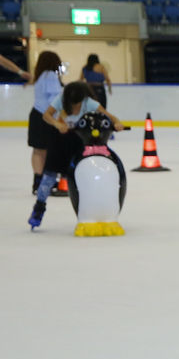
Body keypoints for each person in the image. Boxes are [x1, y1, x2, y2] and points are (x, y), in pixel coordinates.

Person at [29, 82, 124, 229]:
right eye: (72, 105)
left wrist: (117, 123)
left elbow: (111, 117)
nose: (75, 108)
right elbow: (46, 115)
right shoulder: (60, 100)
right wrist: (57, 123)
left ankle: (91, 209)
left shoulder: (90, 103)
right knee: (49, 177)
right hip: (59, 142)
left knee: (82, 177)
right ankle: (39, 208)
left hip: (80, 143)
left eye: (78, 104)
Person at [28, 51, 63, 193]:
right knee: (47, 150)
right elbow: (54, 100)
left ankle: (38, 181)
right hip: (47, 116)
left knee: (38, 150)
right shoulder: (51, 76)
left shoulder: (40, 76)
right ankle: (45, 181)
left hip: (37, 114)